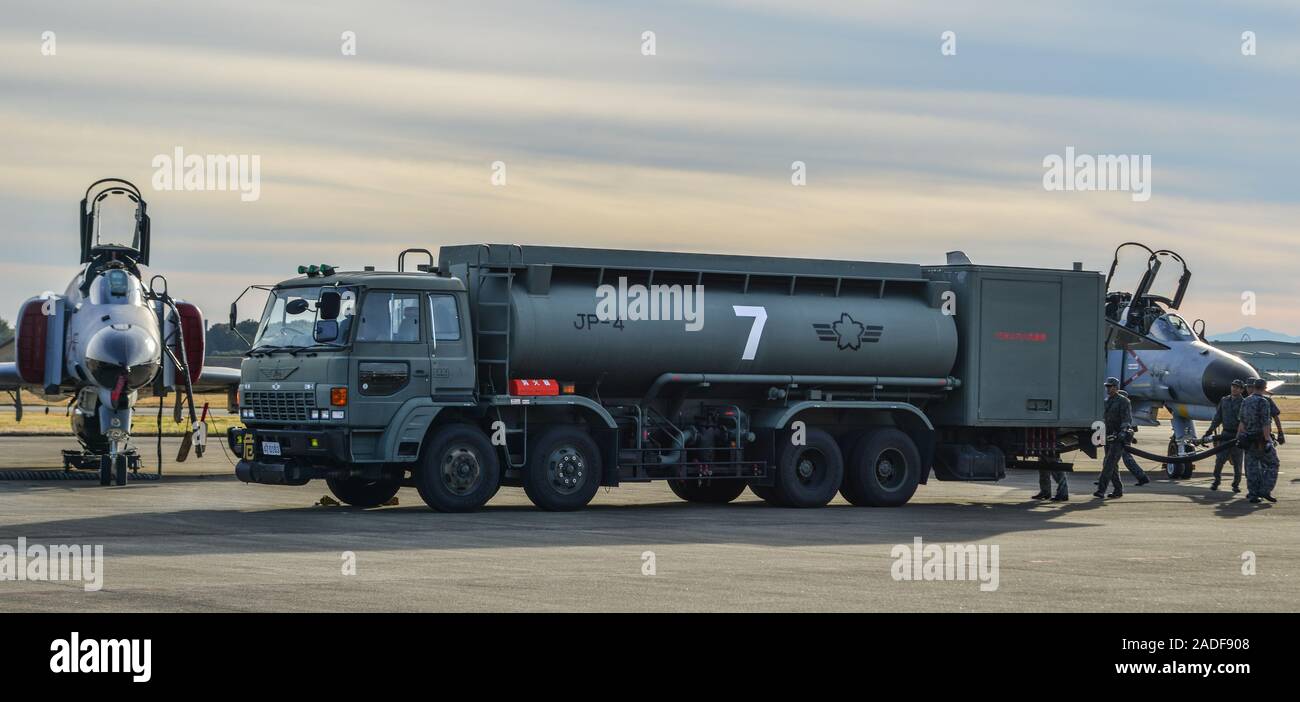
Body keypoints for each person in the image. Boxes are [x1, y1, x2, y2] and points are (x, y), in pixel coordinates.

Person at [1237, 378, 1279, 504]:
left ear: (1254, 387)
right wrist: (1268, 441)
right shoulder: (1263, 402)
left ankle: (1253, 494)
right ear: (1265, 388)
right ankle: (1265, 490)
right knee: (1273, 464)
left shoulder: (1245, 401)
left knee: (1251, 468)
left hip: (1248, 439)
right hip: (1260, 439)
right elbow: (1265, 423)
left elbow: (1242, 422)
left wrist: (1239, 436)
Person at [1204, 379, 1245, 492]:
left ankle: (1236, 484)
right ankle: (1216, 480)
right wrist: (1210, 430)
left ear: (1241, 390)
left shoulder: (1244, 402)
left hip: (1237, 435)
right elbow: (1218, 417)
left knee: (1237, 463)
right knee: (1219, 460)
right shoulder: (1224, 400)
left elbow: (1245, 420)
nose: (1234, 388)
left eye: (1237, 387)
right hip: (1225, 434)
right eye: (1233, 386)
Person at [1096, 377, 1131, 499]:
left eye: (1110, 386)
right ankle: (1118, 490)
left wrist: (1122, 432)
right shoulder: (1107, 401)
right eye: (1107, 386)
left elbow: (1127, 419)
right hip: (1108, 436)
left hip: (1118, 437)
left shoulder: (1123, 401)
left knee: (1109, 463)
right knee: (1112, 465)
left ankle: (1101, 489)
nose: (1108, 388)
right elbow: (1104, 418)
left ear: (1116, 387)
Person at [1117, 390, 1150, 486]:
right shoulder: (1126, 408)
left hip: (1122, 436)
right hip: (1123, 435)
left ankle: (1142, 477)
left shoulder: (1123, 409)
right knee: (1111, 459)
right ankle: (1102, 479)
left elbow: (1127, 424)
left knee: (1125, 458)